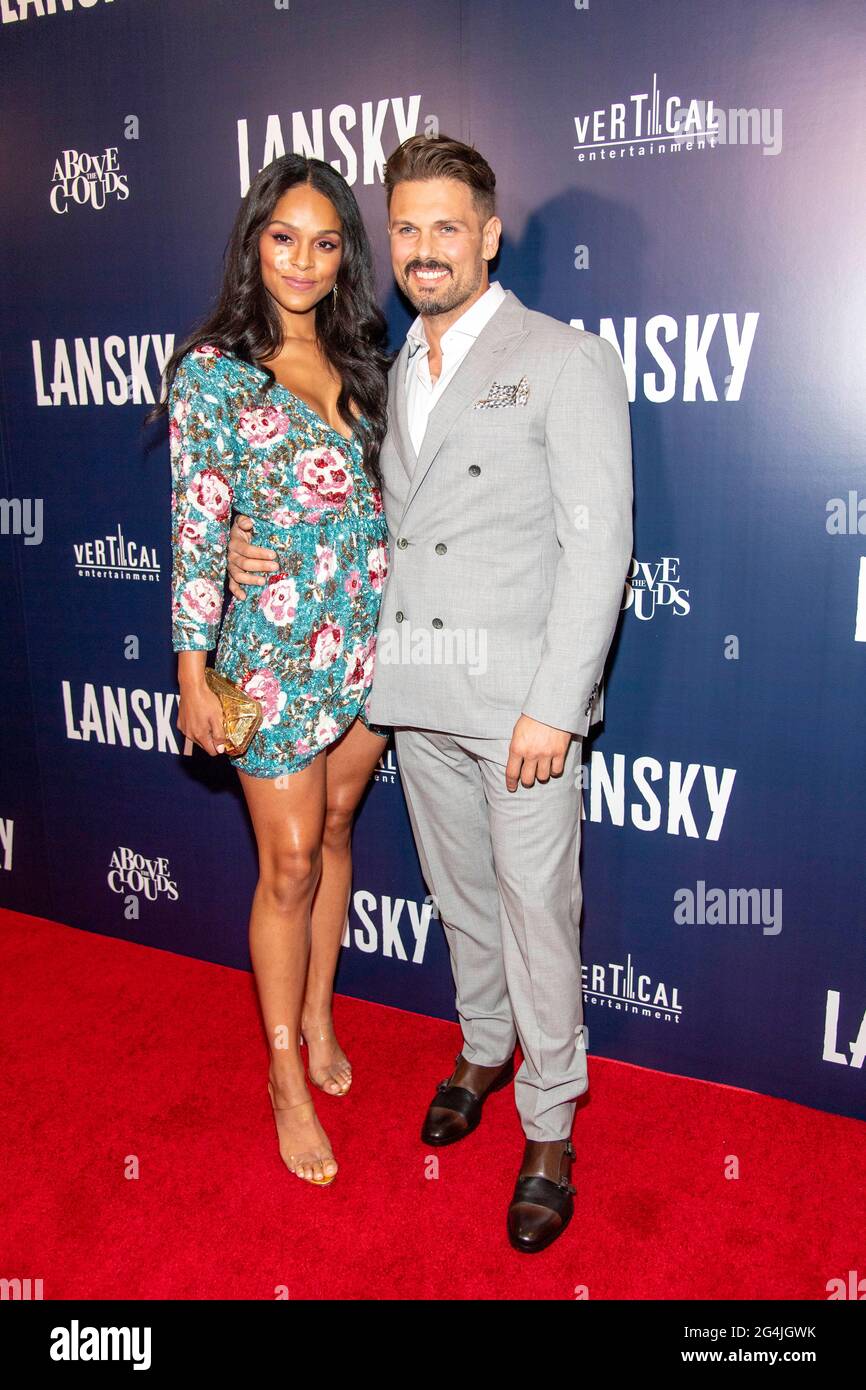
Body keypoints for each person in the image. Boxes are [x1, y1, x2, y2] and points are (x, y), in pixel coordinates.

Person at [225, 135, 633, 1251]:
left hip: (519, 713)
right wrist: (235, 549)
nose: (423, 248)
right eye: (403, 227)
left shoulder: (564, 358)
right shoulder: (390, 365)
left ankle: (548, 1123)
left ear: (489, 235)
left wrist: (556, 703)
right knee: (462, 904)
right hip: (415, 698)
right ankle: (482, 1047)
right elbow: (348, 516)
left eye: (446, 226)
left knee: (537, 917)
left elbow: (598, 550)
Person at [150, 154, 393, 1187]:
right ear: (255, 242)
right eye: (283, 237)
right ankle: (283, 1075)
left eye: (325, 241)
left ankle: (320, 1011)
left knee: (338, 831)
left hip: (368, 642)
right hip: (275, 653)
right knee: (286, 866)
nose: (302, 260)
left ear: (345, 258)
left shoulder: (365, 355)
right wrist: (191, 669)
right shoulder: (212, 370)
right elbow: (198, 526)